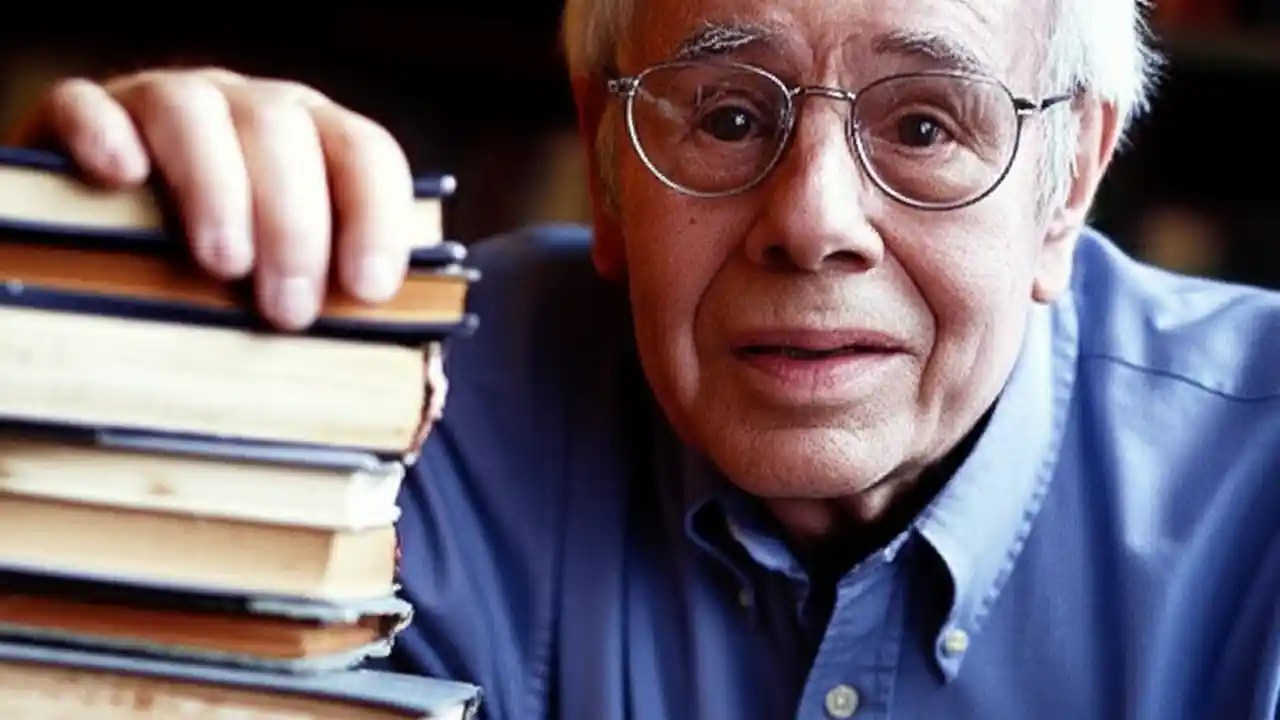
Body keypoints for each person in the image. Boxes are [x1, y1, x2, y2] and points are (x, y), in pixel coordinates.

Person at [12, 0, 1280, 717]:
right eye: (727, 116)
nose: (812, 222)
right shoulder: (394, 405)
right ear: (607, 166)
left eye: (923, 124)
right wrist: (102, 286)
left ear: (1070, 181)